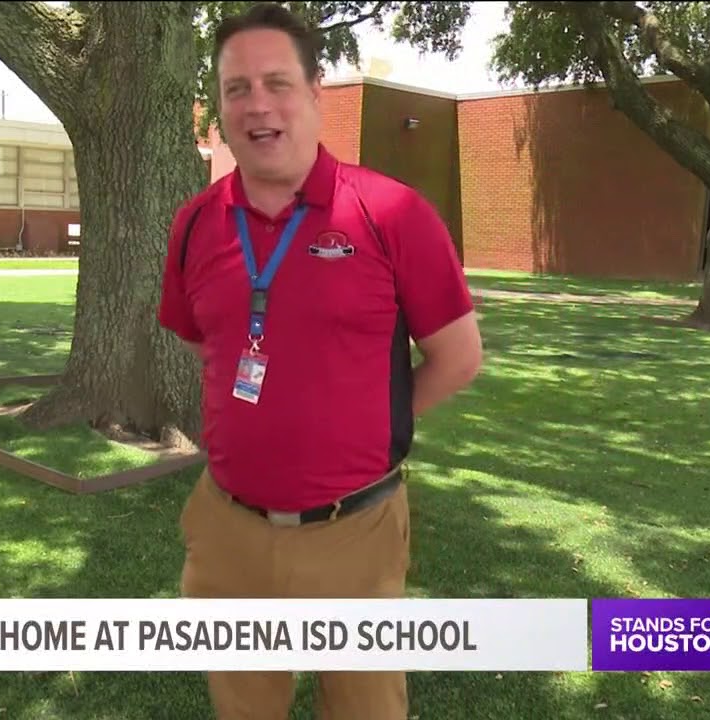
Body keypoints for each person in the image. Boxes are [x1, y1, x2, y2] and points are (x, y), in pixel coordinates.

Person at [157, 3, 483, 718]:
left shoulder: (391, 213)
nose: (257, 105)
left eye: (276, 83)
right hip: (227, 529)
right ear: (220, 107)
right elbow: (203, 341)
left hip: (355, 533)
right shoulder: (195, 224)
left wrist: (365, 422)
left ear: (314, 93)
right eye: (237, 88)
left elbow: (458, 357)